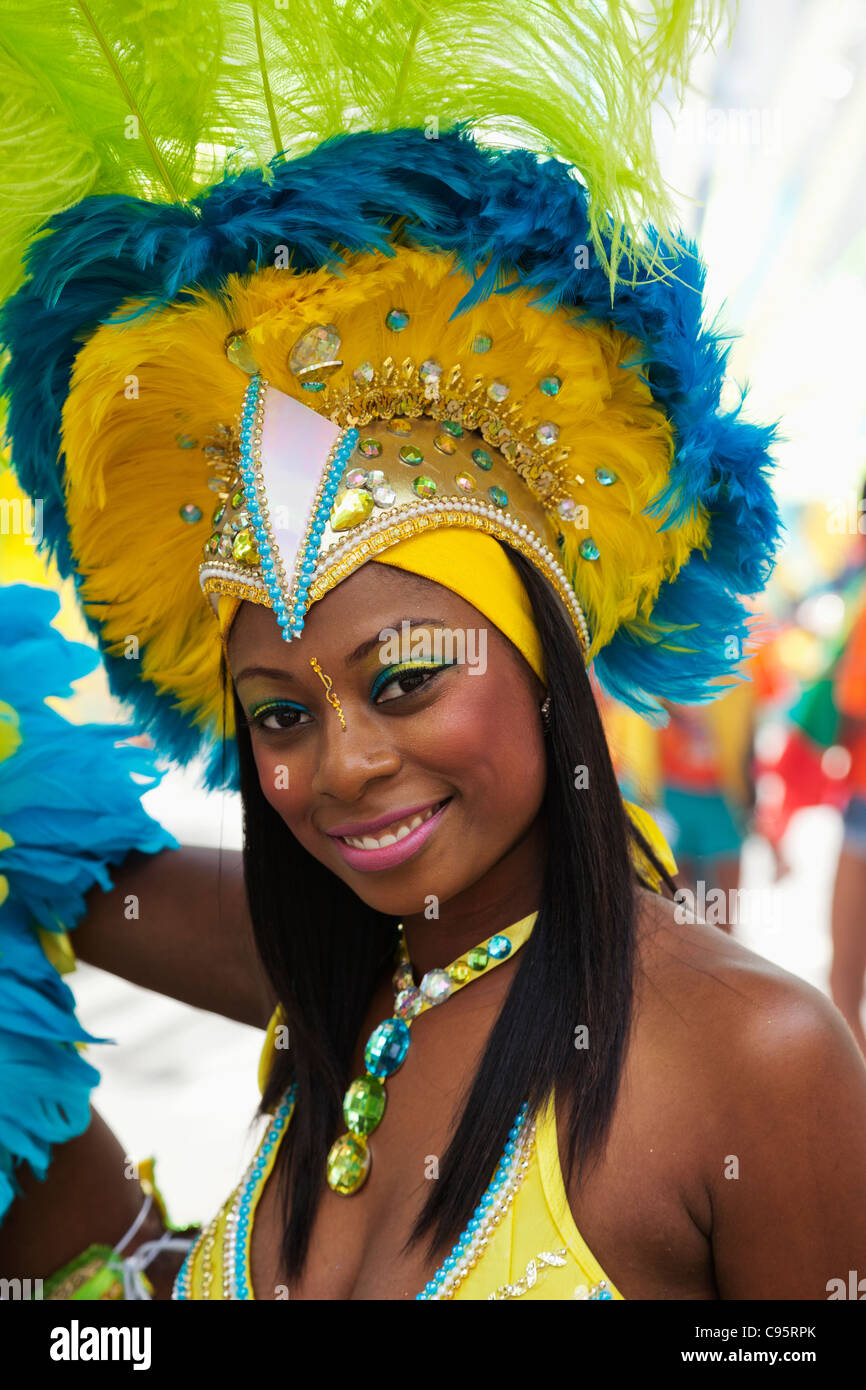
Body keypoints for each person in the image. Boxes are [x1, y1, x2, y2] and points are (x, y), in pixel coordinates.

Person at [2, 0, 866, 1302]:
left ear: (542, 667)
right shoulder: (329, 965)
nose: (340, 763)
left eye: (402, 677)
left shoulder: (756, 1057)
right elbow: (46, 855)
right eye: (279, 715)